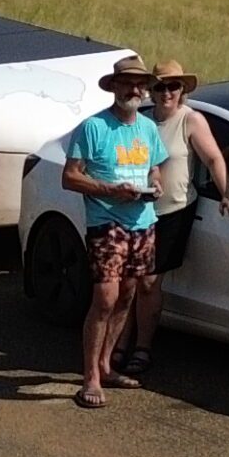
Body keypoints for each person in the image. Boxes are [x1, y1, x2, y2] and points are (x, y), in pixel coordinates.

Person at [61, 56, 164, 409]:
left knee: (128, 295)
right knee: (104, 297)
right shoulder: (93, 127)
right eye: (126, 84)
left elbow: (155, 169)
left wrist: (154, 183)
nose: (133, 90)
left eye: (139, 85)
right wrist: (109, 190)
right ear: (114, 87)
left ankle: (106, 366)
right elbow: (70, 176)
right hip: (106, 222)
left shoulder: (148, 128)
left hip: (143, 221)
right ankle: (90, 377)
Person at [125, 68, 229, 380]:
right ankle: (118, 345)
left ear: (182, 90)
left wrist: (227, 193)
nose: (166, 93)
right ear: (151, 91)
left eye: (172, 87)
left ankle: (142, 348)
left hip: (173, 212)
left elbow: (213, 159)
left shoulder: (190, 119)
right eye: (159, 87)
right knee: (127, 282)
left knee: (148, 281)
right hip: (135, 211)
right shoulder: (142, 121)